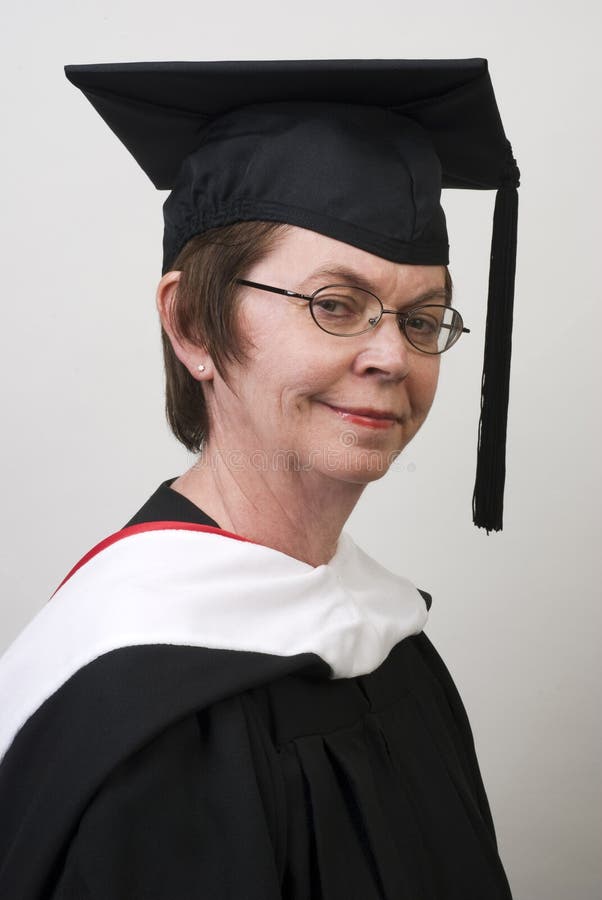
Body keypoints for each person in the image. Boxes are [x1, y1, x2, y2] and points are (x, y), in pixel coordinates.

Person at [0, 59, 518, 899]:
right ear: (193, 323)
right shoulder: (142, 715)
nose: (392, 356)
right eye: (335, 304)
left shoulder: (392, 648)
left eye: (422, 318)